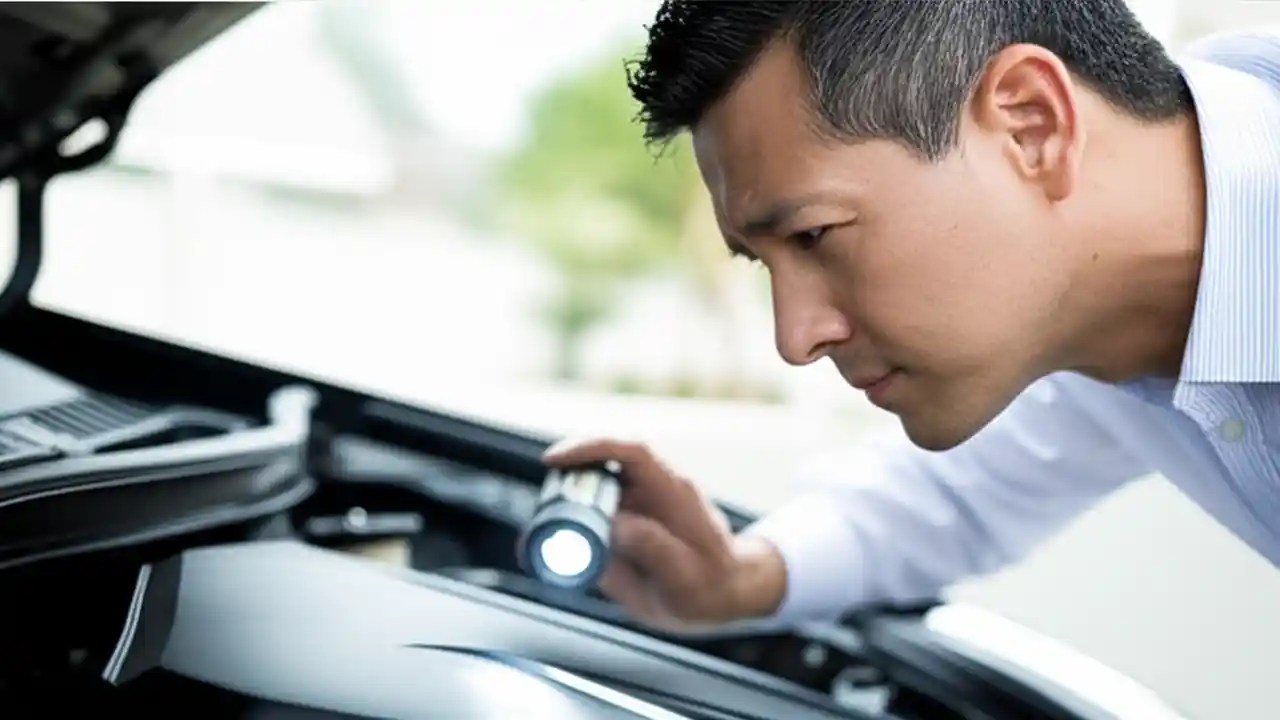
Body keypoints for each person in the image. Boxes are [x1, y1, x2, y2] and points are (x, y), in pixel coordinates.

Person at [542, 0, 1280, 634]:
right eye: (762, 261)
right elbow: (951, 499)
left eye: (813, 235)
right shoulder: (1090, 308)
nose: (795, 339)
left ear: (1032, 125)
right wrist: (740, 577)